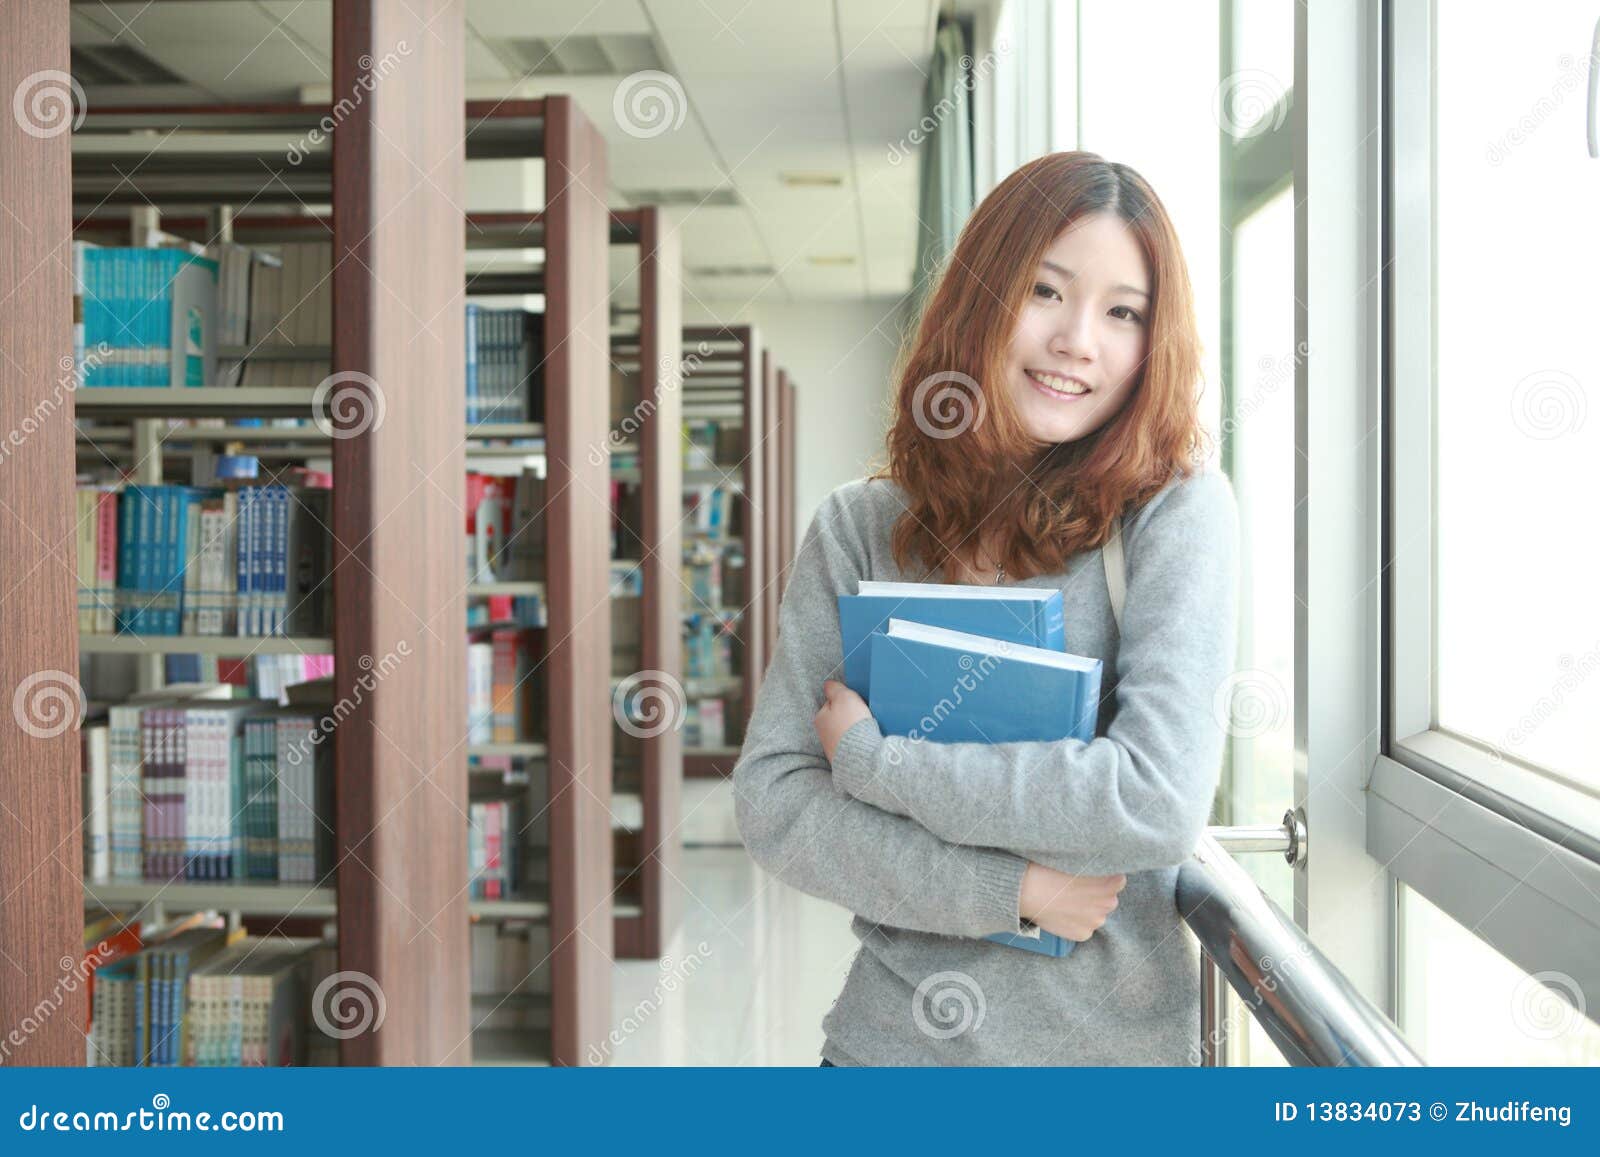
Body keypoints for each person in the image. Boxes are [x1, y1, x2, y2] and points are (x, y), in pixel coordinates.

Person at [731, 150, 1240, 1066]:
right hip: (885, 1054)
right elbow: (778, 802)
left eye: (1123, 312)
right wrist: (1011, 887)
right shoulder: (860, 525)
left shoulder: (1174, 511)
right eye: (1047, 292)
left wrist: (880, 766)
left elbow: (1153, 800)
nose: (1079, 339)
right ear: (983, 297)